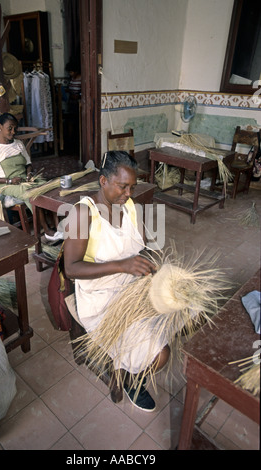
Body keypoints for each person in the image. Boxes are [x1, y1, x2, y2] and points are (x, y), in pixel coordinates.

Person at [63, 151, 170, 412]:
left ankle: (134, 367)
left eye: (132, 187)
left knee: (176, 313)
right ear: (103, 181)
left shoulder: (130, 207)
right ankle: (133, 381)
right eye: (122, 186)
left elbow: (142, 248)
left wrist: (149, 263)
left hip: (130, 287)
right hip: (99, 298)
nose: (128, 193)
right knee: (161, 354)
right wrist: (122, 265)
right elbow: (71, 268)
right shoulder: (82, 213)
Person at [0, 113, 59, 239]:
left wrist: (29, 173)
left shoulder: (18, 144)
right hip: (7, 185)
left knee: (49, 186)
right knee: (30, 192)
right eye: (10, 128)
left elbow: (28, 164)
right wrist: (9, 180)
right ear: (0, 127)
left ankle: (56, 224)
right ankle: (46, 230)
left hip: (24, 180)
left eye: (15, 128)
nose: (13, 132)